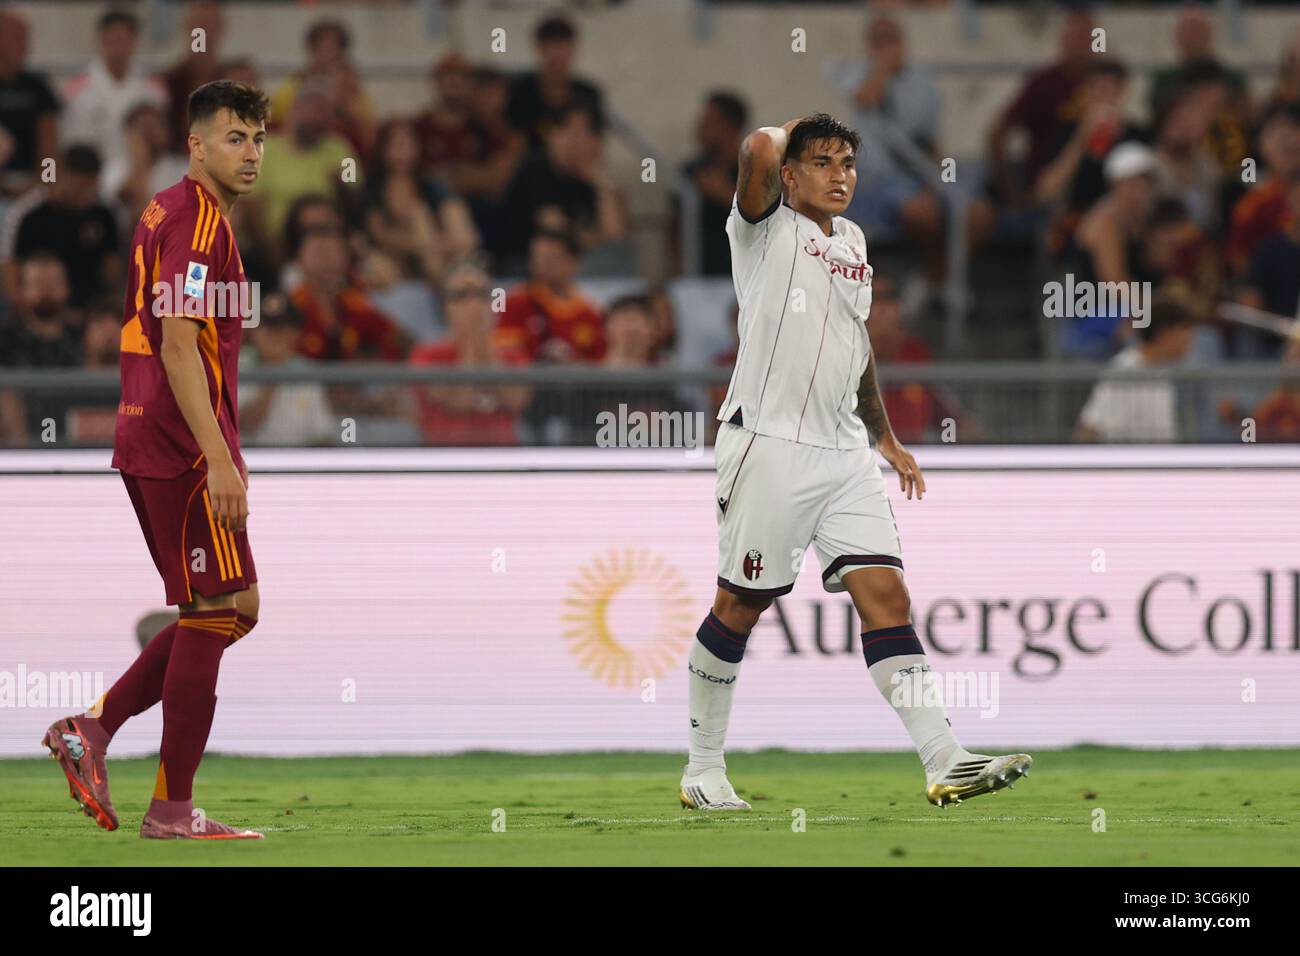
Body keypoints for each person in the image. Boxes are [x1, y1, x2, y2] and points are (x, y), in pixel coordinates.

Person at [682, 113, 1032, 812]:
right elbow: (754, 147)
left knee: (887, 597)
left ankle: (945, 759)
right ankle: (703, 768)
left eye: (848, 163)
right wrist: (791, 132)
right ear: (790, 174)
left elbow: (856, 342)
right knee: (740, 604)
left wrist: (883, 435)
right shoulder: (760, 231)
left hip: (843, 451)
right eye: (823, 161)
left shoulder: (855, 242)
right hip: (769, 444)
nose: (841, 175)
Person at [42, 80, 270, 841]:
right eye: (234, 137)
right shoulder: (198, 223)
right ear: (196, 144)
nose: (251, 152)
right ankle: (167, 807)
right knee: (213, 613)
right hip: (181, 444)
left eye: (259, 138)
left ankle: (96, 730)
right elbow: (178, 341)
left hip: (158, 434)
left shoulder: (163, 210)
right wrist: (220, 458)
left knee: (232, 609)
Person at [409, 262, 531, 446]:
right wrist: (471, 343)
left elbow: (515, 401)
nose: (473, 303)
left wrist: (485, 341)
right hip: (447, 460)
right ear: (446, 306)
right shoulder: (426, 355)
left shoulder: (513, 354)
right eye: (461, 295)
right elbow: (460, 402)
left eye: (481, 295)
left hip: (503, 461)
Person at [1074, 290, 1196, 442]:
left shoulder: (1164, 371)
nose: (1190, 342)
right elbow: (1090, 425)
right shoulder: (1125, 370)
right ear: (1165, 333)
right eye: (1185, 333)